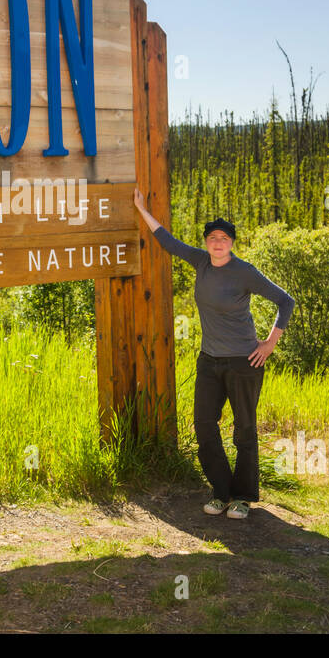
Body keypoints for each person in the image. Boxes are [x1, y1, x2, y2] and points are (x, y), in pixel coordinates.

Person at [133, 188, 294, 520]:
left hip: (244, 362)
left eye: (224, 238)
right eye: (212, 237)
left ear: (232, 243)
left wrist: (269, 343)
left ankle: (243, 497)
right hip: (209, 361)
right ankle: (221, 491)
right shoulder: (201, 261)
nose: (217, 242)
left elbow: (285, 301)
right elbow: (168, 241)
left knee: (244, 429)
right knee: (204, 425)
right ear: (206, 242)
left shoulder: (245, 272)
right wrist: (140, 208)